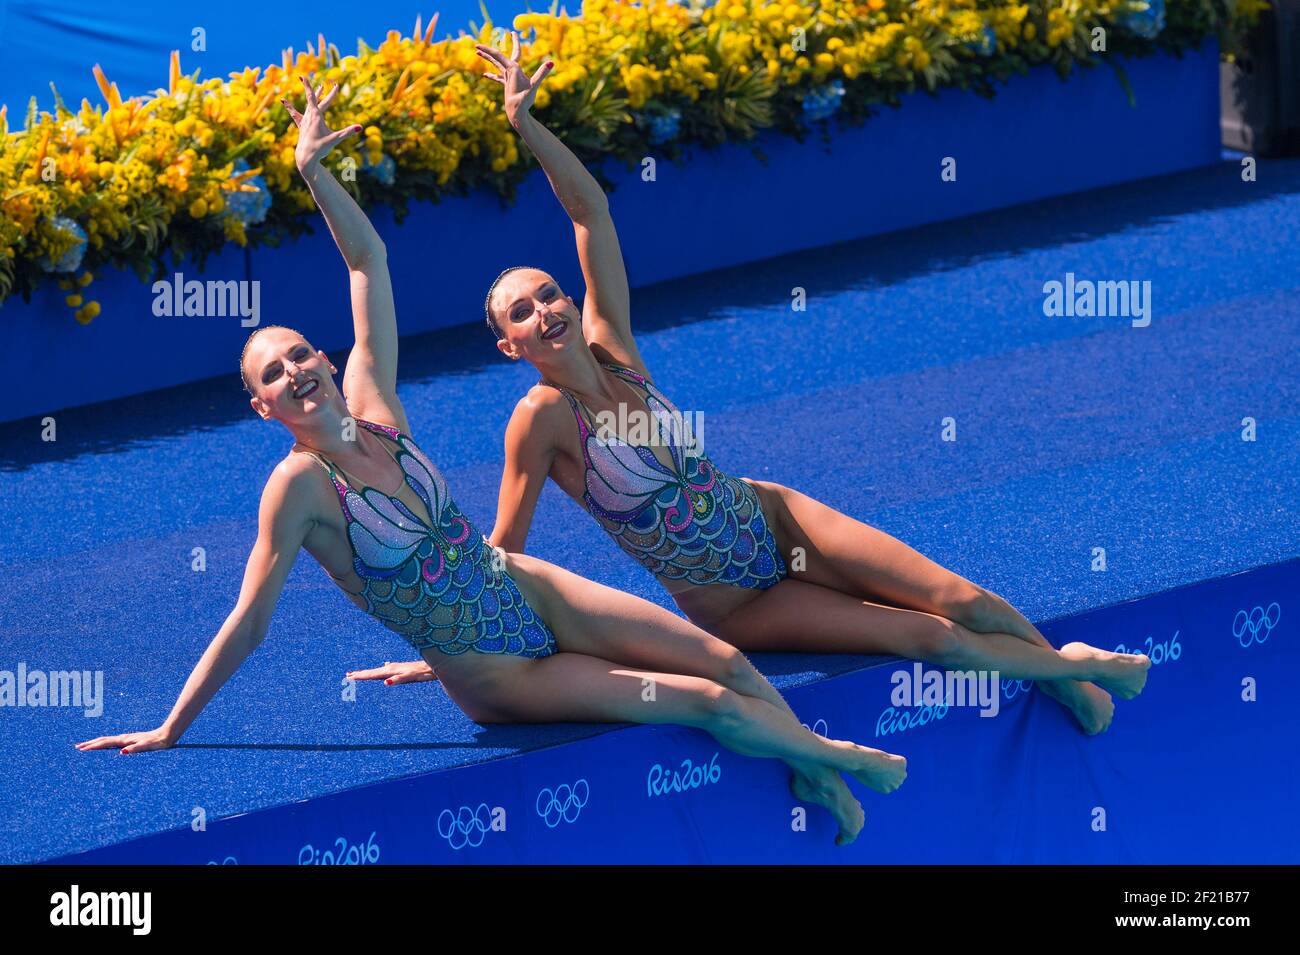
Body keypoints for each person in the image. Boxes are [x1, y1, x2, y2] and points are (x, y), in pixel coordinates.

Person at [76, 76, 908, 847]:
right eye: (272, 375)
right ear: (263, 407)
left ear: (325, 360)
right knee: (696, 697)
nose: (293, 372)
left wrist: (314, 176)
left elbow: (367, 264)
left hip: (526, 587)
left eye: (298, 355)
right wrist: (171, 726)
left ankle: (814, 770)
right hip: (498, 671)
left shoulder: (377, 409)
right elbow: (251, 620)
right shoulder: (297, 488)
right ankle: (833, 753)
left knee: (724, 658)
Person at [354, 36, 1150, 737]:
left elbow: (591, 213)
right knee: (928, 636)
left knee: (958, 596)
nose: (545, 311)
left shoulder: (615, 348)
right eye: (521, 312)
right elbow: (505, 553)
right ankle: (1071, 666)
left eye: (549, 294)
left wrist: (527, 125)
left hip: (775, 515)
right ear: (509, 344)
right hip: (738, 601)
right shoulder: (540, 420)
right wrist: (452, 646)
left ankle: (1066, 676)